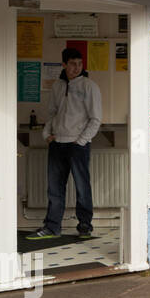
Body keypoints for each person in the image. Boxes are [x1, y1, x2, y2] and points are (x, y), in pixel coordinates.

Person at [29, 47, 102, 240]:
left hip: (78, 145)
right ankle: (52, 227)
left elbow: (95, 119)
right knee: (54, 188)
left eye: (79, 64)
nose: (76, 68)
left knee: (82, 187)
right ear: (64, 64)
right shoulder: (57, 86)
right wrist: (47, 134)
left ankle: (85, 225)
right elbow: (52, 113)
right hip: (57, 143)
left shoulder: (89, 86)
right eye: (72, 64)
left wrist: (81, 141)